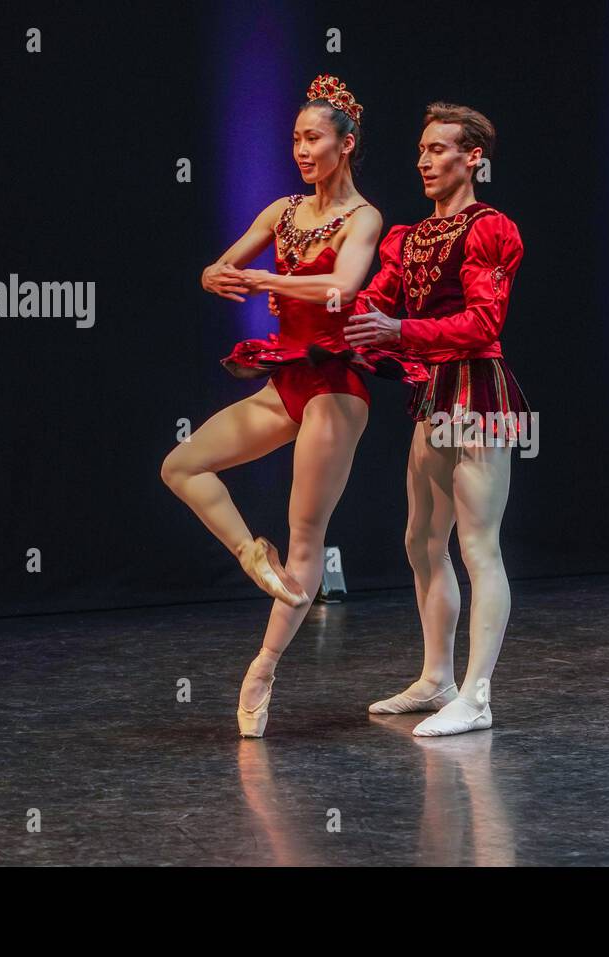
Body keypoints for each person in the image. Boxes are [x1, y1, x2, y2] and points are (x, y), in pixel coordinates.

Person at [162, 74, 392, 737]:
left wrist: (272, 278)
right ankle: (245, 551)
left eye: (313, 137)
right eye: (295, 137)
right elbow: (220, 265)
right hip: (285, 378)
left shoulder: (364, 217)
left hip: (335, 387)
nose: (301, 148)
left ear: (345, 145)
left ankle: (263, 665)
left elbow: (344, 286)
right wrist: (217, 274)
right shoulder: (282, 211)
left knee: (306, 536)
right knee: (181, 465)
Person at [345, 102, 531, 737]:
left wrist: (398, 330)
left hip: (477, 393)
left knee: (477, 546)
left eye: (439, 149)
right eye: (421, 149)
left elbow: (484, 324)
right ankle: (437, 678)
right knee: (421, 540)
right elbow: (374, 303)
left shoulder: (490, 228)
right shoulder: (409, 236)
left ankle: (477, 696)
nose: (424, 160)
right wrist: (321, 328)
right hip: (433, 396)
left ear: (473, 157)